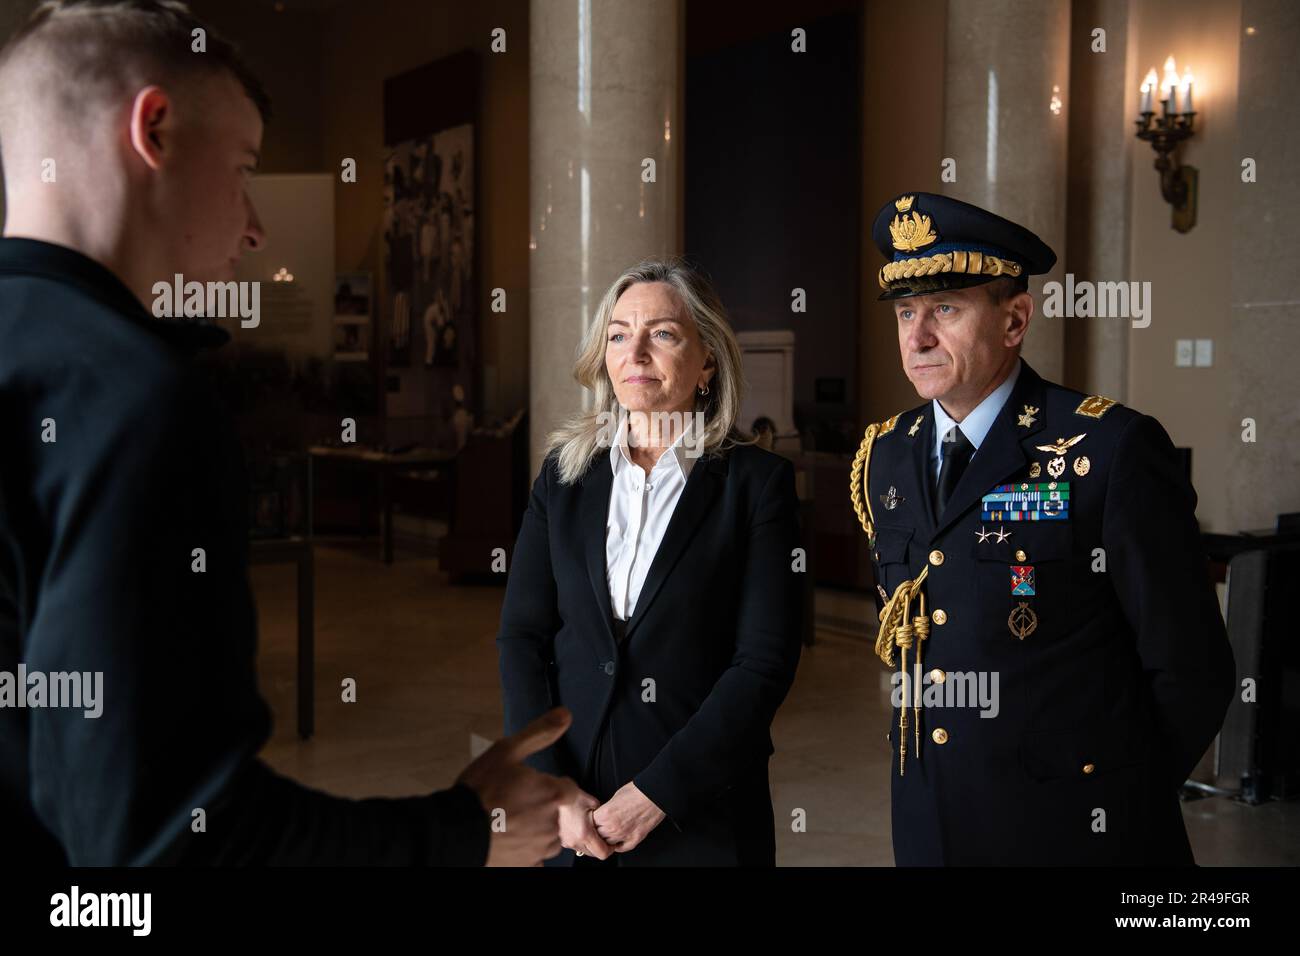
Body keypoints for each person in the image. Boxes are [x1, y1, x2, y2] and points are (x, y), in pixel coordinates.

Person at [0, 0, 574, 866]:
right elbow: (166, 838)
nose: (256, 224)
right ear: (152, 128)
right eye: (242, 167)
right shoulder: (131, 396)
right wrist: (467, 832)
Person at [852, 191, 1236, 865]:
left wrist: (1115, 802)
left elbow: (1191, 668)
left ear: (1015, 319)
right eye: (907, 312)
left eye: (945, 308)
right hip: (931, 818)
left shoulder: (1108, 449)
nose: (917, 337)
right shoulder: (887, 452)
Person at [497, 257, 804, 865]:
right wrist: (550, 786)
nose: (634, 353)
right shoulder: (562, 478)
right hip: (574, 817)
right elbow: (521, 638)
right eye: (618, 335)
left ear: (708, 360)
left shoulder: (757, 484)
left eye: (661, 334)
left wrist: (657, 793)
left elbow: (762, 663)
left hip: (704, 813)